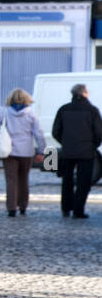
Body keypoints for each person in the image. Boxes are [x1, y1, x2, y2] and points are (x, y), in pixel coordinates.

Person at [0, 87, 45, 217]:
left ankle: (11, 207)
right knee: (24, 179)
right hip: (26, 152)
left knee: (11, 180)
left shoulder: (4, 112)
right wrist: (41, 151)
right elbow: (39, 134)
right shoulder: (31, 114)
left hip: (8, 151)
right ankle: (23, 206)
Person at [52, 83, 102, 219]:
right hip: (86, 152)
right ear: (85, 93)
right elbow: (99, 133)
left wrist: (66, 143)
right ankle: (78, 210)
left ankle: (66, 208)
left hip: (67, 151)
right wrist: (93, 145)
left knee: (67, 180)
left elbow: (55, 131)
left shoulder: (64, 109)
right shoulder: (92, 111)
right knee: (83, 182)